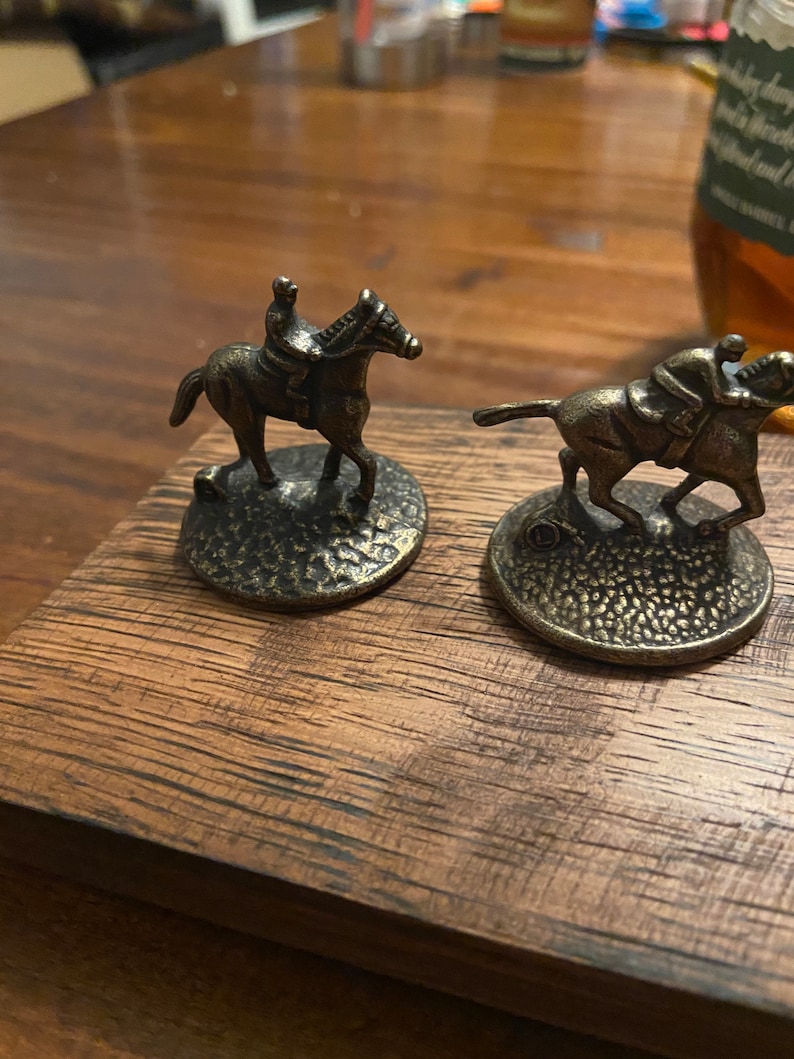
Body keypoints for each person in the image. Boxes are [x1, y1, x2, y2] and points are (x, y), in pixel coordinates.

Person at [650, 334, 750, 438]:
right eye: (738, 354)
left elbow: (719, 380)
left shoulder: (714, 359)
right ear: (729, 352)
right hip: (665, 375)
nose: (739, 358)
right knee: (696, 402)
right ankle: (677, 421)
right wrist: (740, 398)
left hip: (677, 374)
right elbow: (717, 396)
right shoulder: (708, 362)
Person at [262, 276, 323, 427]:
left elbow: (299, 324)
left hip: (291, 345)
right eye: (290, 295)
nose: (293, 298)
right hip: (278, 351)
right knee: (301, 369)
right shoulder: (275, 316)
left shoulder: (289, 309)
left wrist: (317, 334)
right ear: (280, 295)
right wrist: (305, 352)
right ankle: (293, 391)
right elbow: (283, 341)